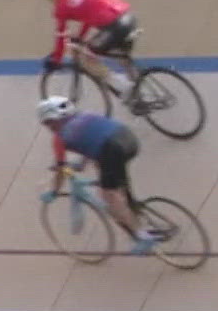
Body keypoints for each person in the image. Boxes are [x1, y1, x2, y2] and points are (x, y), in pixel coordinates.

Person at [36, 96, 160, 254]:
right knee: (103, 169)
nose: (48, 127)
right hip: (128, 139)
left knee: (108, 196)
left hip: (112, 150)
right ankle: (129, 206)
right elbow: (93, 139)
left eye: (48, 123)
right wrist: (80, 164)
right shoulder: (86, 115)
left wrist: (53, 191)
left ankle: (143, 236)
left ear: (53, 120)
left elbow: (61, 171)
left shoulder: (59, 139)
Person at [35, 0, 139, 96]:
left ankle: (124, 87)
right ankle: (139, 89)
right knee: (121, 55)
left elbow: (61, 36)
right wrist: (80, 37)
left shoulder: (61, 5)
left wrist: (56, 60)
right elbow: (88, 16)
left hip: (115, 27)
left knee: (85, 56)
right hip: (128, 18)